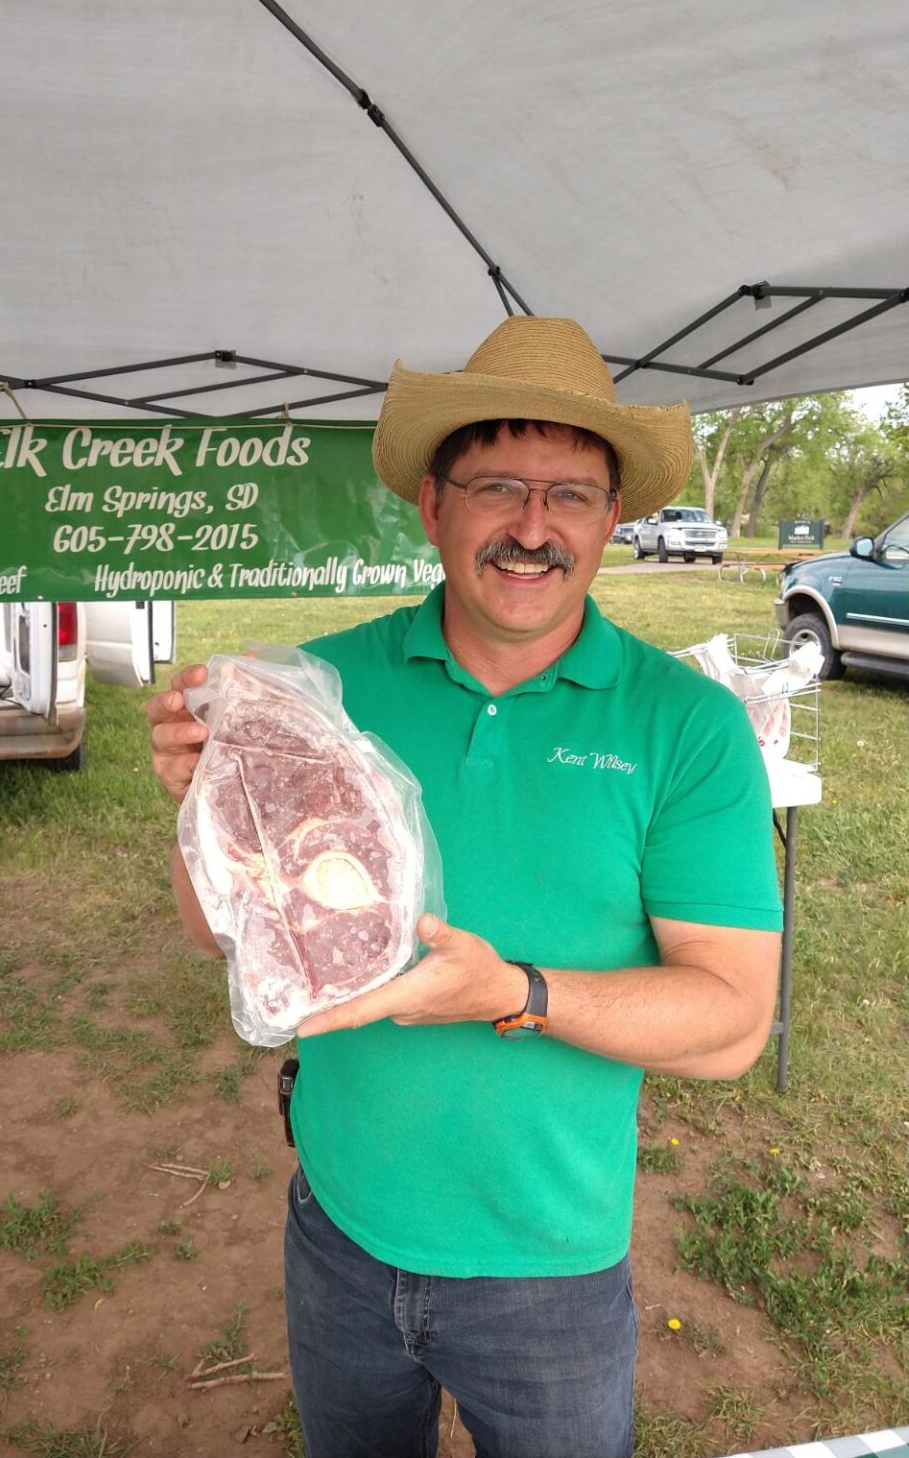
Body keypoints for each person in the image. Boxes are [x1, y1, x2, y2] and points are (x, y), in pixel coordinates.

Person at [147, 317, 783, 1458]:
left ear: (611, 519)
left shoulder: (686, 727)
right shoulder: (317, 692)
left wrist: (515, 993)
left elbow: (733, 1021)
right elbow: (218, 934)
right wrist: (205, 810)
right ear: (433, 506)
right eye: (498, 488)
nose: (533, 528)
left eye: (570, 495)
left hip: (552, 1272)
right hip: (339, 1233)